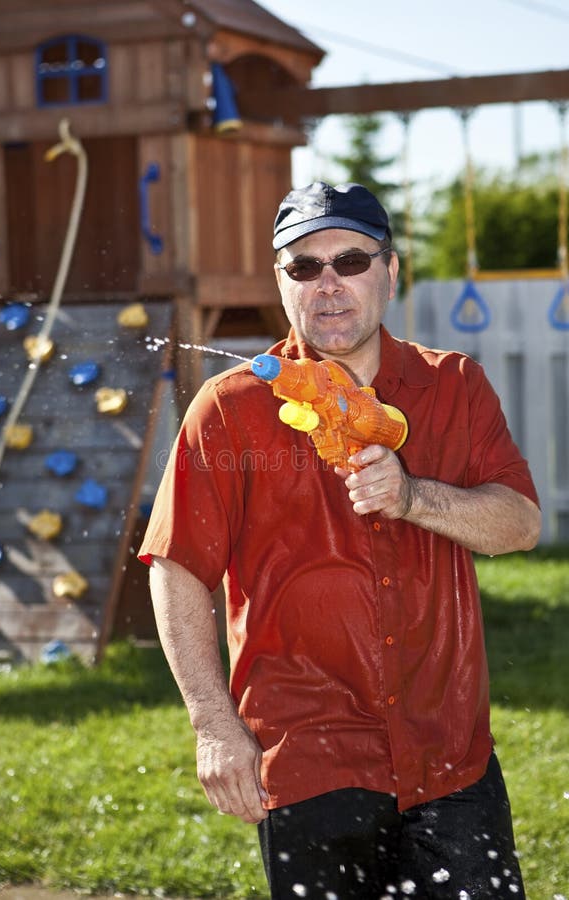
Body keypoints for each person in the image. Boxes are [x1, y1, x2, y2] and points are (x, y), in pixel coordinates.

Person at [139, 181, 541, 899]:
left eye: (351, 261)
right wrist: (212, 726)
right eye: (304, 266)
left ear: (391, 273)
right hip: (307, 758)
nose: (328, 285)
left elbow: (520, 523)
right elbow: (176, 568)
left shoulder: (454, 386)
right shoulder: (228, 410)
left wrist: (413, 496)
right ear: (280, 282)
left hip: (450, 755)